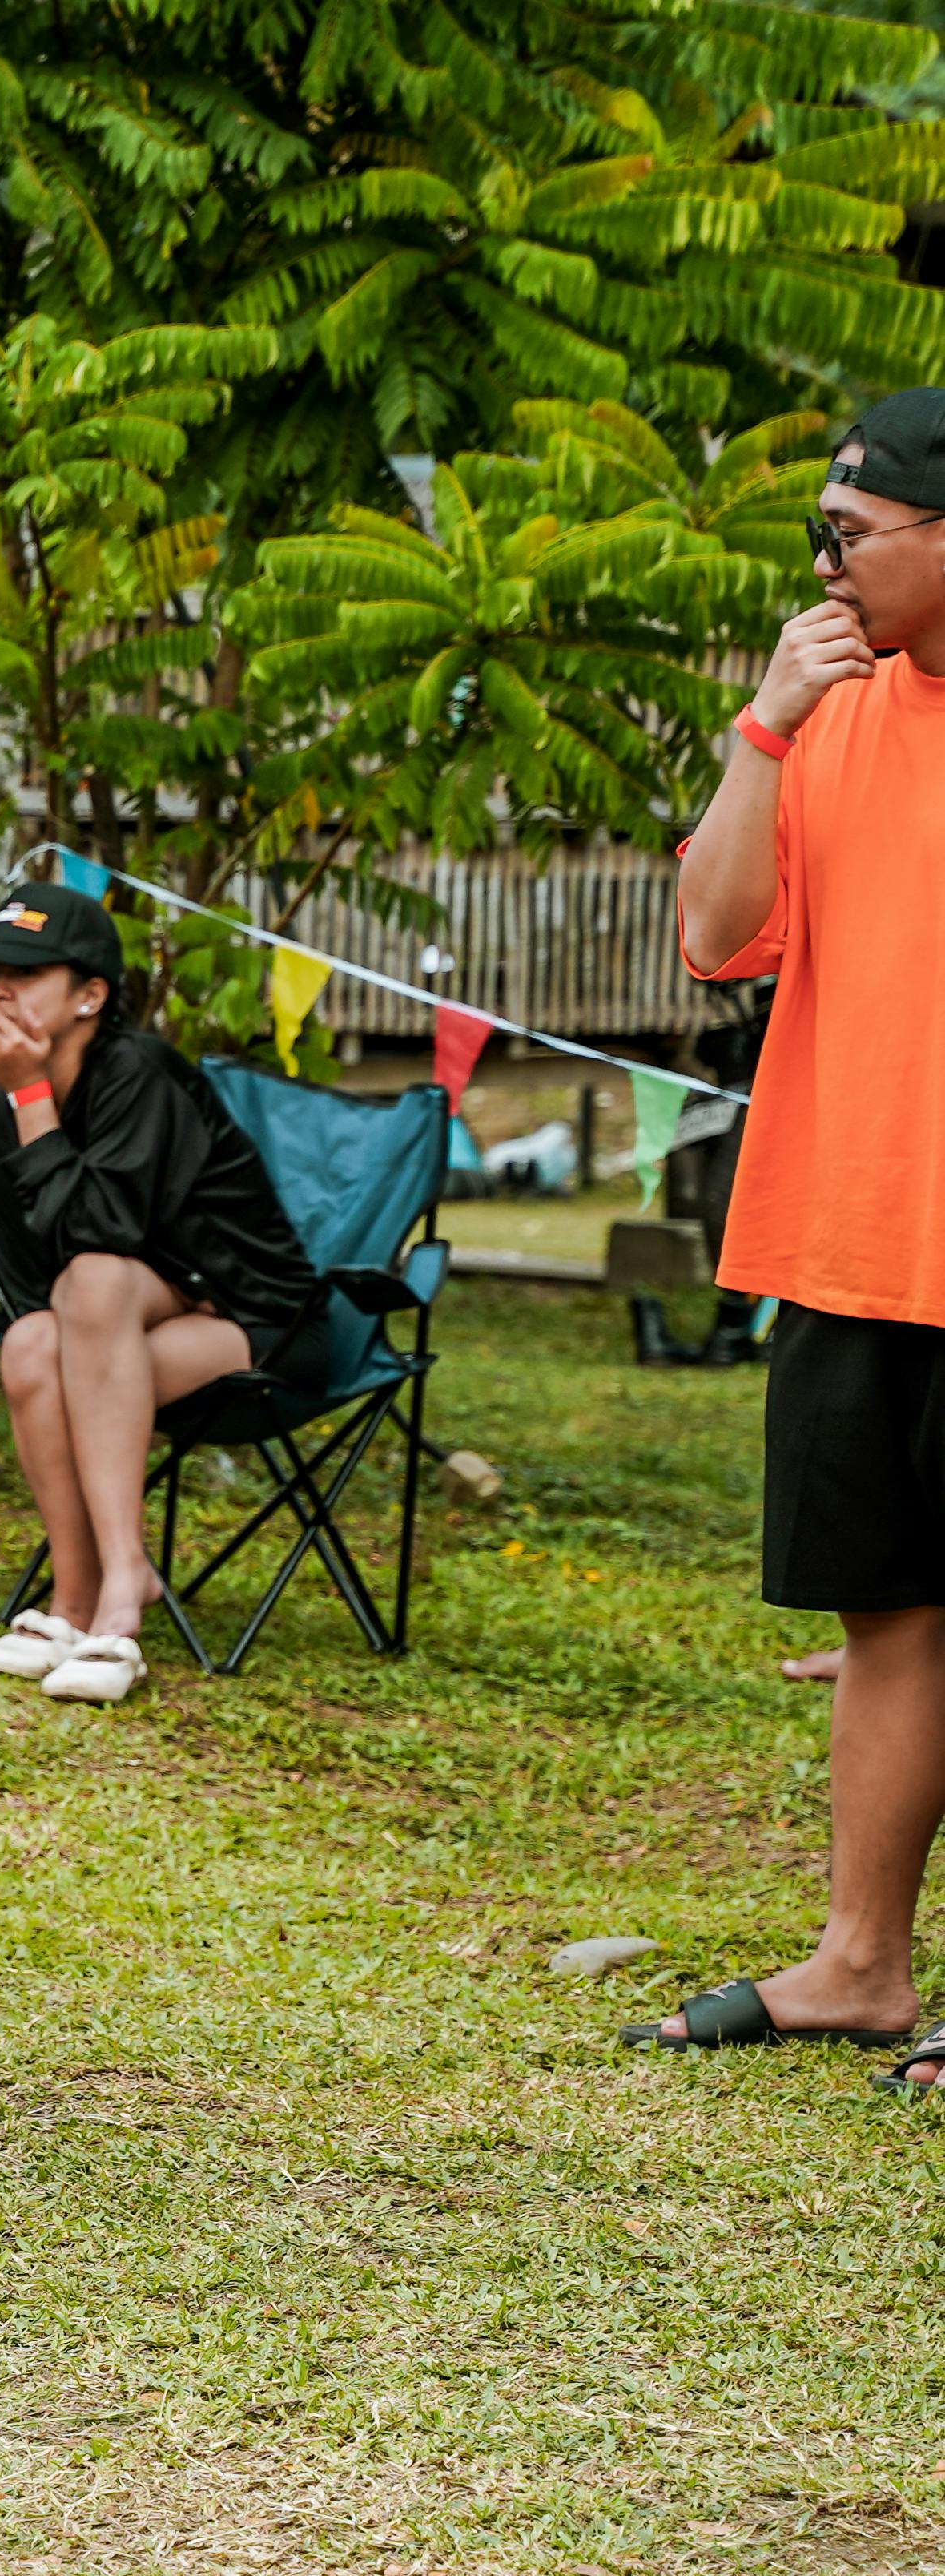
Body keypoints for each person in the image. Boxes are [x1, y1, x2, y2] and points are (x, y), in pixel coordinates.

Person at [642, 385, 945, 2076]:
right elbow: (709, 935)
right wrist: (756, 728)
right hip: (848, 1237)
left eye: (846, 535)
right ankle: (858, 1960)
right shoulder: (821, 710)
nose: (817, 570)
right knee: (882, 1610)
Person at [0, 881, 318, 1707]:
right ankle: (72, 1603)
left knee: (95, 1274)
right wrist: (23, 1103)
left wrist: (33, 1100)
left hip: (255, 1320)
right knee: (27, 1340)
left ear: (90, 995)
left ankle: (125, 1585)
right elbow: (27, 1290)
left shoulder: (137, 1072)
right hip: (114, 1326)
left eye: (25, 971)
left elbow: (99, 1233)